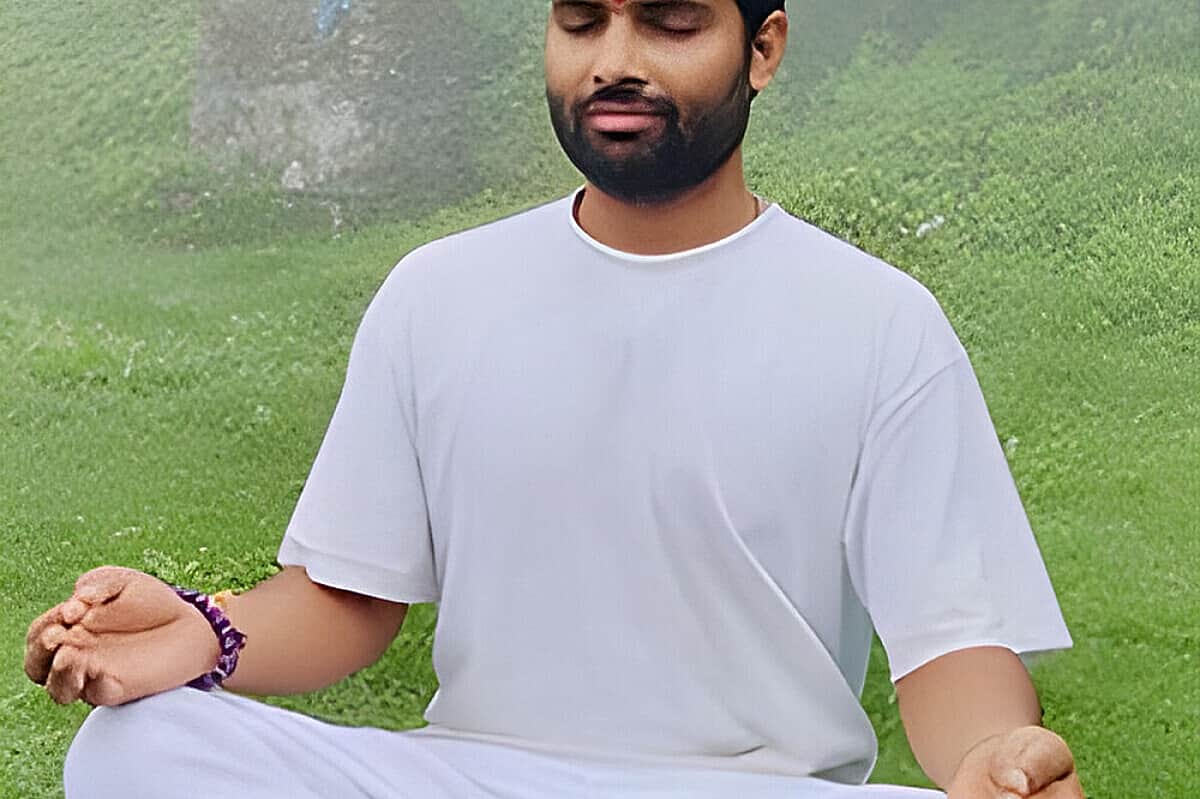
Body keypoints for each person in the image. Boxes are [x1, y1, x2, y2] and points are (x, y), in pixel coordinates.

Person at [24, 1, 1085, 797]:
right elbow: (349, 598)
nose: (613, 62)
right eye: (582, 23)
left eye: (669, 23)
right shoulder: (438, 293)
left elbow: (952, 642)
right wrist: (208, 632)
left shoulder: (879, 322)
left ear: (764, 49)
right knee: (138, 751)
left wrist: (995, 757)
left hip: (753, 789)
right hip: (479, 775)